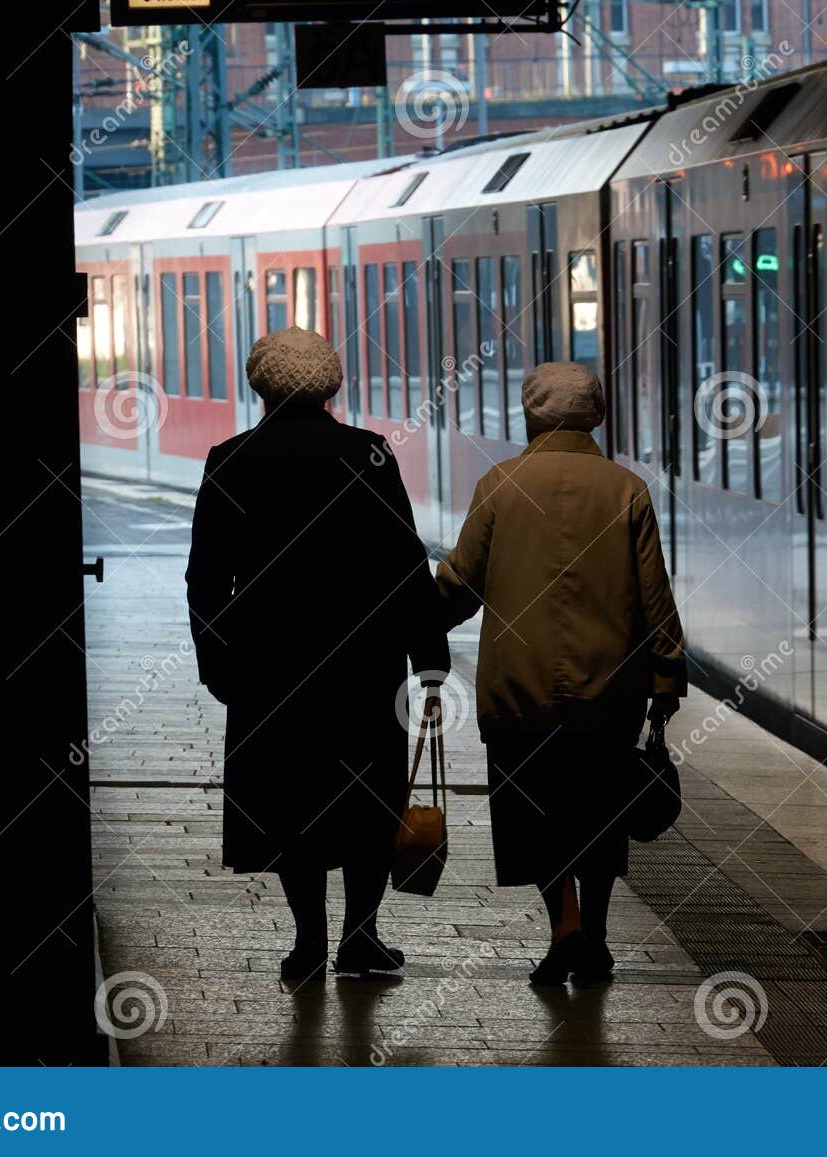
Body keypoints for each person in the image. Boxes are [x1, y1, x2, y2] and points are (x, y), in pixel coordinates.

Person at [186, 327, 447, 986]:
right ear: (329, 384)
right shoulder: (369, 455)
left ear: (260, 384)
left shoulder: (232, 459)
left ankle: (308, 943)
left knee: (287, 802)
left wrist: (217, 662)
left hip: (270, 666)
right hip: (364, 661)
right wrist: (429, 660)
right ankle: (361, 937)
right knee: (367, 800)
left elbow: (206, 576)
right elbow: (405, 566)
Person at [436, 361, 686, 987]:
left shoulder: (501, 484)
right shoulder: (627, 489)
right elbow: (654, 594)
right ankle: (593, 937)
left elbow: (461, 585)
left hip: (518, 691)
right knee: (598, 812)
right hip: (609, 690)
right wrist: (666, 677)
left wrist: (415, 613)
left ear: (529, 413)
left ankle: (565, 927)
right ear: (597, 413)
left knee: (536, 814)